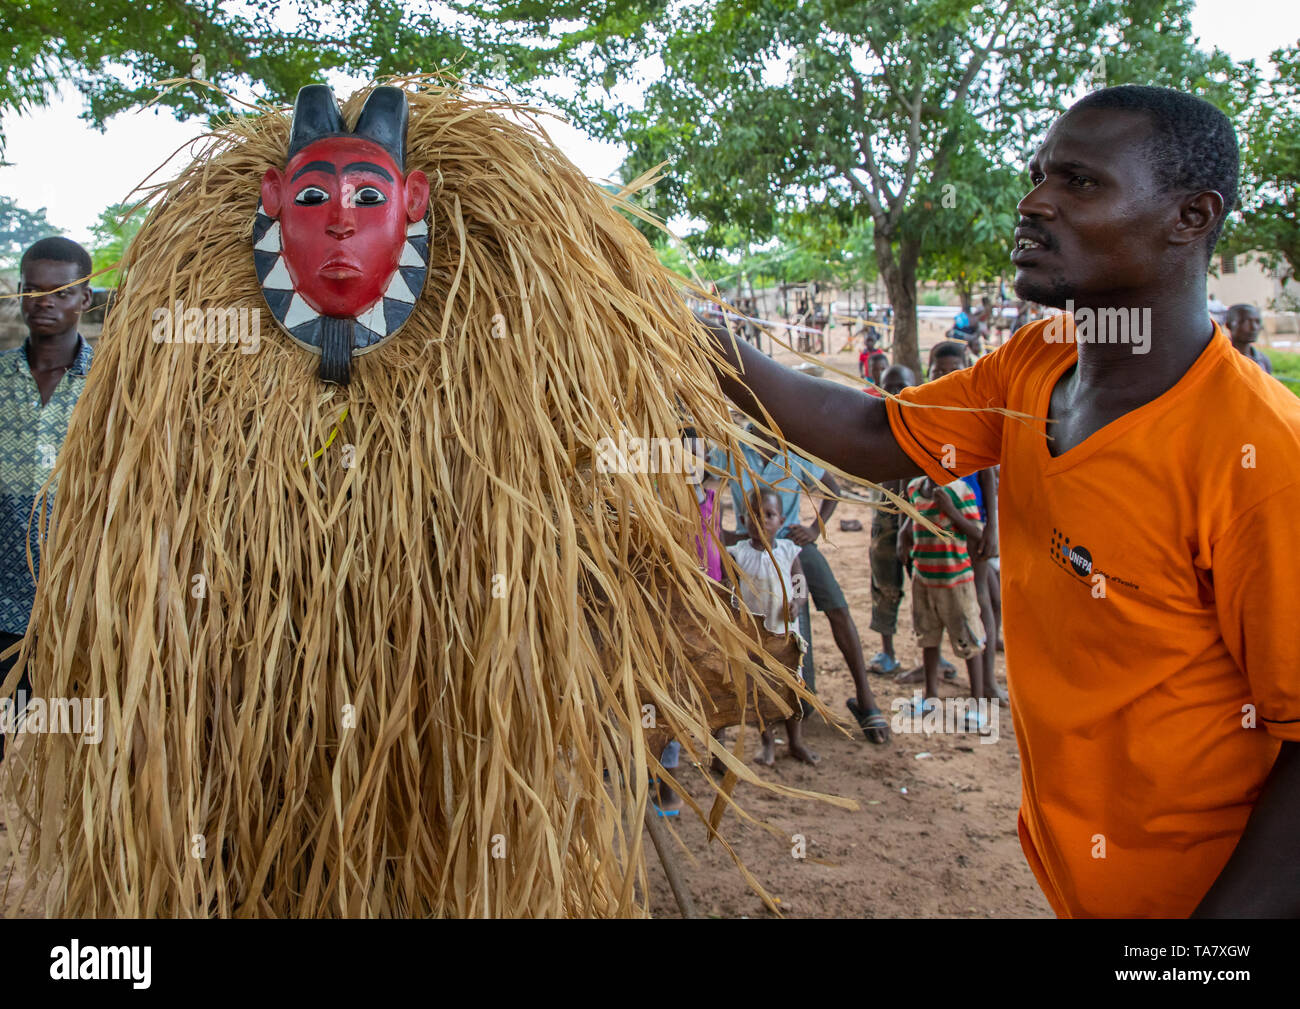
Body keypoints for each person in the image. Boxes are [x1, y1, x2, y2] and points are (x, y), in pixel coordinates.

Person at [703, 85, 1300, 918]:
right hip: (1074, 876)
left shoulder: (1263, 460)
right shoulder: (1038, 363)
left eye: (1079, 183)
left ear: (1191, 218)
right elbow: (880, 435)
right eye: (1037, 175)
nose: (1033, 203)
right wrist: (705, 343)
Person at [709, 427, 890, 744]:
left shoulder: (795, 450)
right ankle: (764, 705)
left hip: (792, 544)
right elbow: (705, 487)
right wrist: (722, 533)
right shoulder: (733, 448)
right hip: (748, 546)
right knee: (753, 622)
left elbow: (831, 488)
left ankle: (865, 698)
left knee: (836, 606)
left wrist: (813, 530)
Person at [1, 237, 95, 760]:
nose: (45, 301)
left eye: (60, 291)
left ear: (84, 298)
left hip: (80, 601)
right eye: (33, 289)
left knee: (80, 741)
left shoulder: (114, 385)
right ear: (19, 293)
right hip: (2, 598)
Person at [726, 488, 817, 765]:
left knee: (791, 687)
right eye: (754, 514)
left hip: (785, 635)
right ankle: (767, 743)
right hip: (753, 638)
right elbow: (730, 588)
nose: (761, 520)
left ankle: (795, 741)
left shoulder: (789, 551)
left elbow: (800, 583)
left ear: (781, 520)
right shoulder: (738, 553)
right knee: (760, 690)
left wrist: (798, 604)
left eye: (769, 514)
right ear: (743, 519)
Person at [897, 475, 987, 718]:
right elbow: (911, 519)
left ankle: (977, 703)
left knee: (968, 641)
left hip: (956, 582)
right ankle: (930, 697)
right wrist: (903, 536)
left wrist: (951, 512)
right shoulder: (915, 487)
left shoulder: (959, 491)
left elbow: (977, 533)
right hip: (924, 580)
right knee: (928, 638)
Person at [866, 364, 916, 677]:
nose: (894, 393)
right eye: (888, 386)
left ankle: (932, 654)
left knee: (926, 587)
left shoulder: (923, 421)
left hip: (918, 518)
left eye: (900, 385)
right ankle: (888, 653)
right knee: (884, 583)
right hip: (885, 519)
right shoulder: (876, 422)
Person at [1226, 303, 1272, 374]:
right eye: (1246, 322)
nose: (1254, 327)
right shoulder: (1222, 358)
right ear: (1228, 325)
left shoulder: (1262, 360)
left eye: (1257, 322)